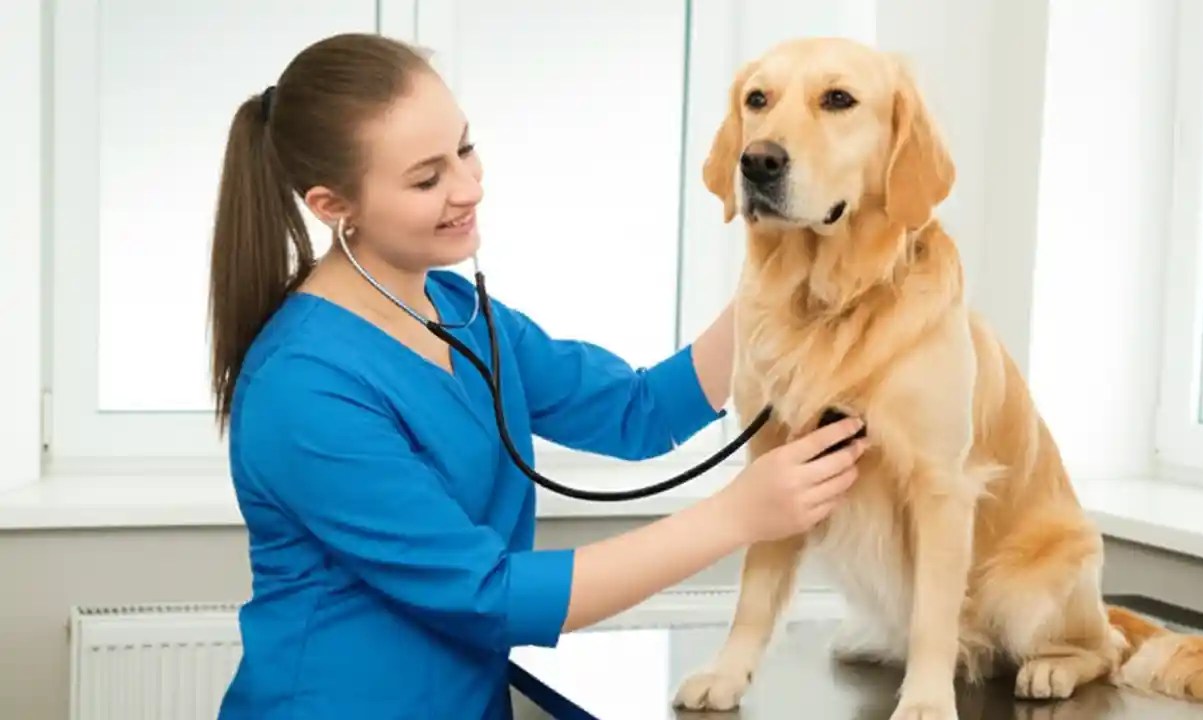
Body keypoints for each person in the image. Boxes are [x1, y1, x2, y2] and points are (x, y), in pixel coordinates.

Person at [208, 32, 866, 720]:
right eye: (426, 179)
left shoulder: (461, 313)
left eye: (464, 148)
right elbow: (490, 596)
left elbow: (639, 412)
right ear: (330, 204)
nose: (468, 188)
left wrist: (778, 278)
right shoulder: (303, 388)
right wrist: (737, 515)